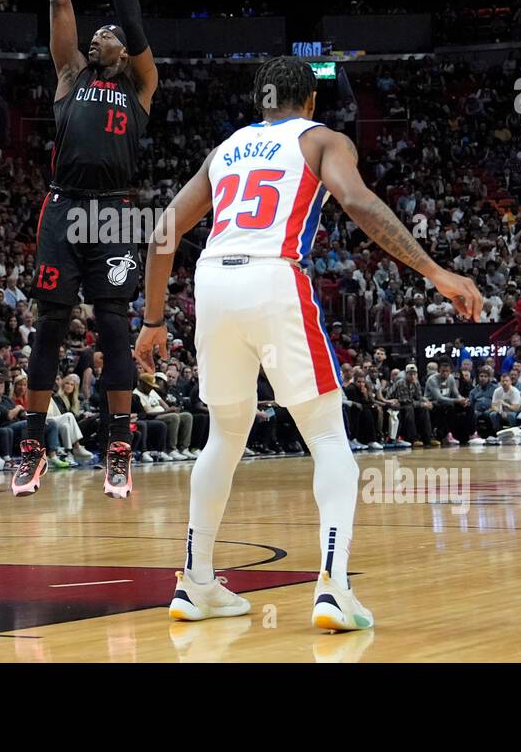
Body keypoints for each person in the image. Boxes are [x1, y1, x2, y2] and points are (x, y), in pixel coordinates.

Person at [136, 55, 482, 631]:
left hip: (213, 279)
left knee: (223, 436)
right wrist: (435, 272)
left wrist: (151, 321)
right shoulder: (322, 140)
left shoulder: (224, 150)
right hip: (273, 274)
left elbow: (163, 231)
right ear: (312, 103)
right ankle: (333, 588)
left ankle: (196, 583)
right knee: (325, 432)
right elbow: (359, 201)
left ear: (260, 103)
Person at [11, 0, 159, 499]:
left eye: (108, 35)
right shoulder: (70, 76)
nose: (97, 36)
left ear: (123, 52)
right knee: (49, 325)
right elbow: (60, 4)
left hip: (115, 211)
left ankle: (118, 451)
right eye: (95, 35)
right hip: (63, 206)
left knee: (114, 328)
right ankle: (31, 446)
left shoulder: (142, 84)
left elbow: (134, 21)